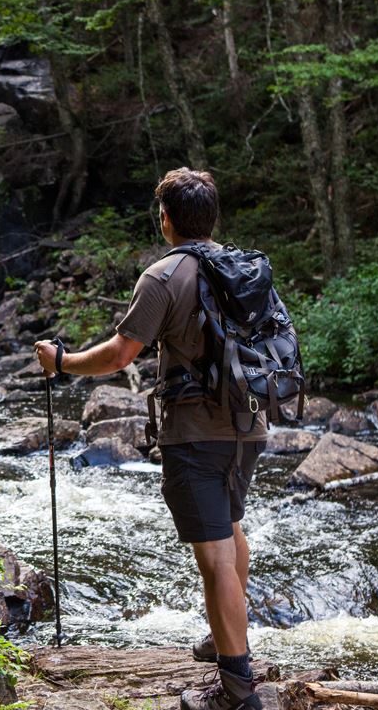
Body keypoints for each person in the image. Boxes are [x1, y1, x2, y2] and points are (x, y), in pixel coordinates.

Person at [35, 167, 266, 710]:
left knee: (213, 558)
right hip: (249, 424)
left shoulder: (163, 277)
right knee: (231, 530)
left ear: (166, 219)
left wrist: (63, 361)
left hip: (196, 433)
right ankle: (223, 640)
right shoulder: (244, 267)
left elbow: (119, 355)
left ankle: (238, 689)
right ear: (212, 218)